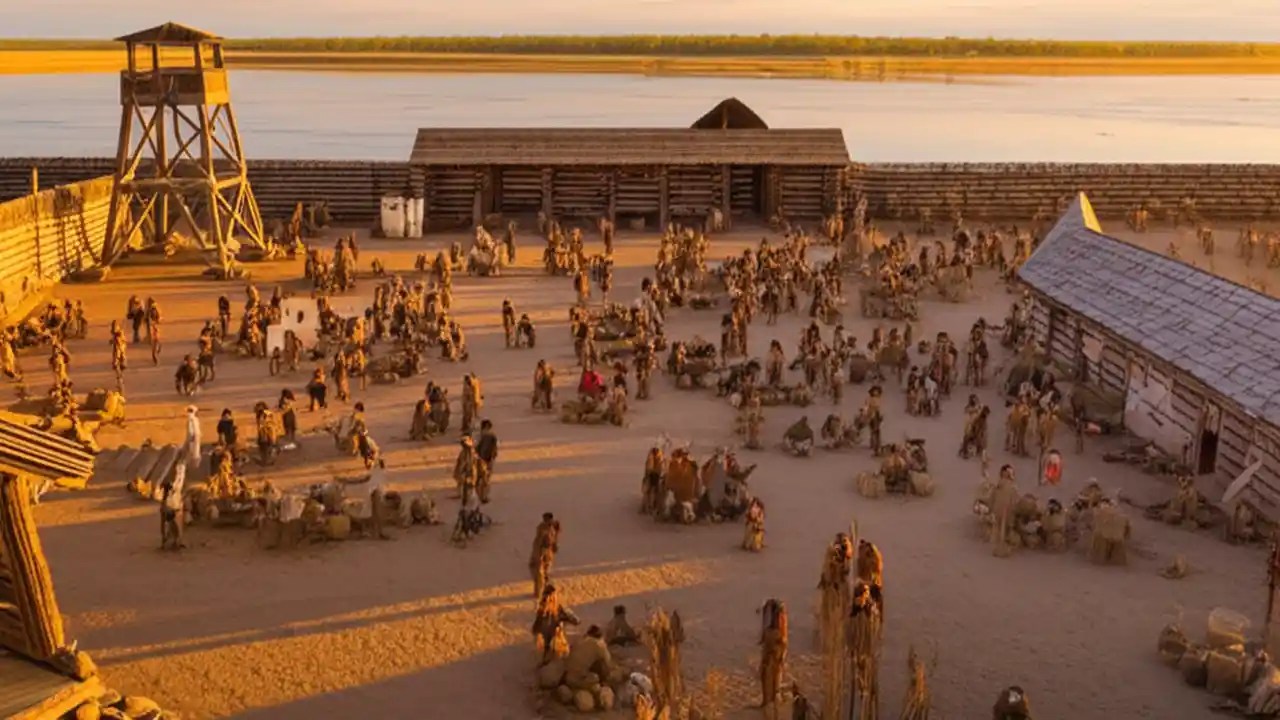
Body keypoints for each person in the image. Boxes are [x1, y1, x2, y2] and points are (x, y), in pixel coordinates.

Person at [160, 462, 186, 551]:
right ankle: (172, 541)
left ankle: (175, 541)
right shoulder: (173, 477)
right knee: (173, 523)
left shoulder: (177, 473)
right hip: (172, 504)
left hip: (173, 503)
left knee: (174, 524)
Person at [476, 419, 499, 504]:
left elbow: (475, 448)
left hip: (479, 459)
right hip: (487, 460)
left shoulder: (479, 436)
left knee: (479, 479)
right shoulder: (492, 436)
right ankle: (483, 497)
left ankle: (480, 496)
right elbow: (494, 450)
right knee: (485, 479)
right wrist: (492, 458)